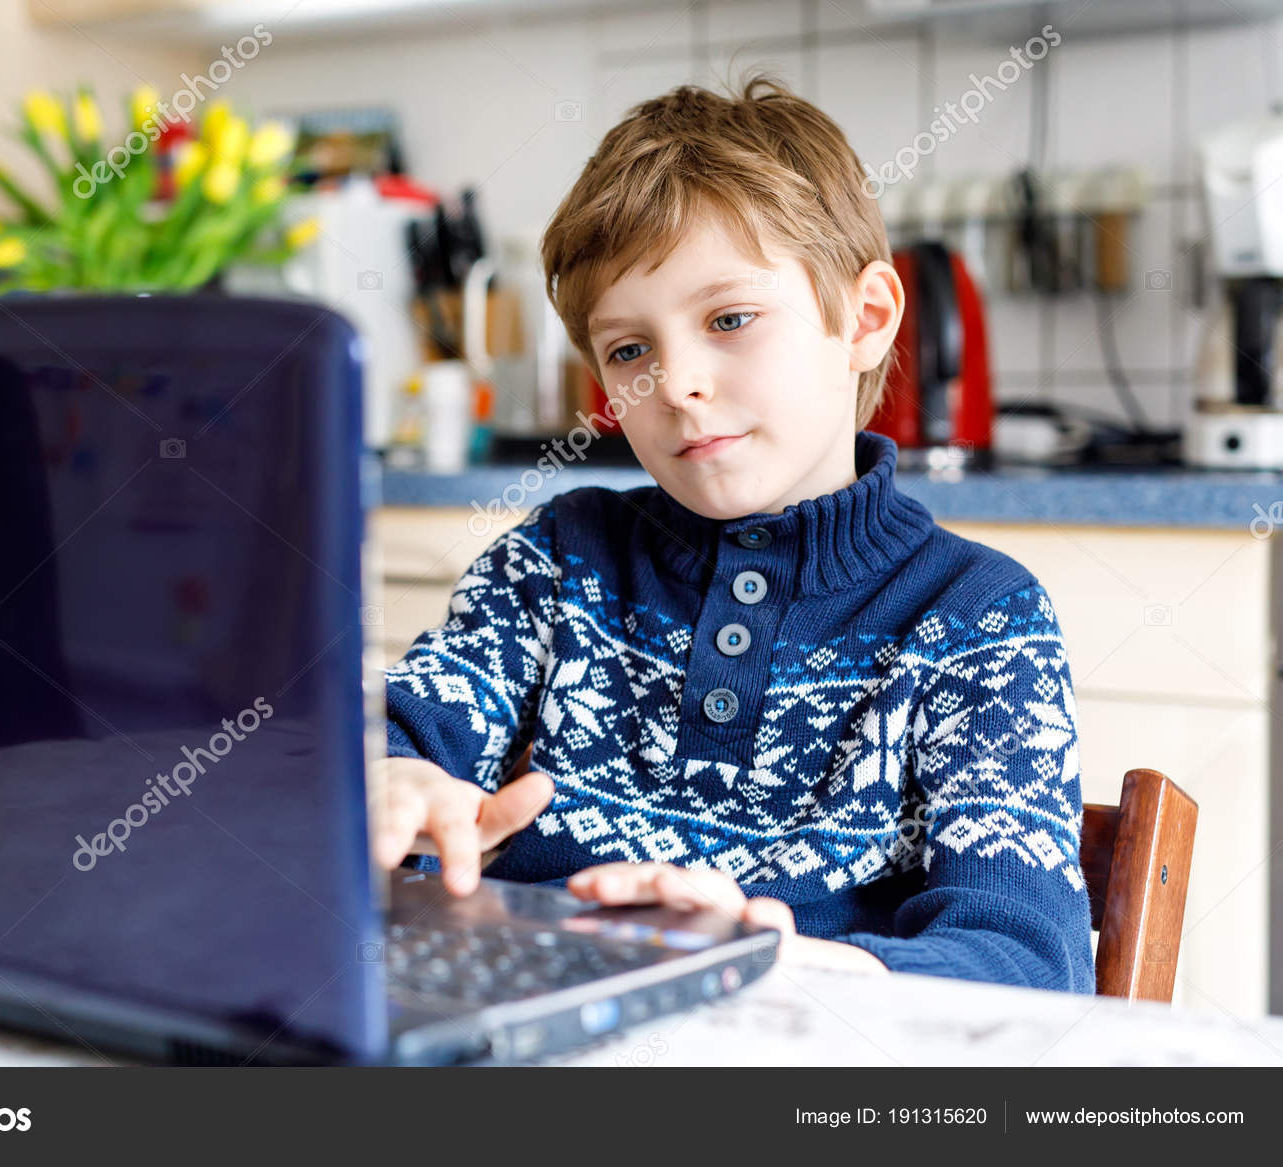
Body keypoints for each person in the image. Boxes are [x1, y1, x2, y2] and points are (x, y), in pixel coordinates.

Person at [371, 76, 1093, 991]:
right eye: (629, 349)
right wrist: (385, 779)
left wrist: (781, 964)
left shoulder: (981, 617)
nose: (675, 384)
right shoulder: (556, 560)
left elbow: (1031, 966)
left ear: (865, 319)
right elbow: (396, 728)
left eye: (729, 319)